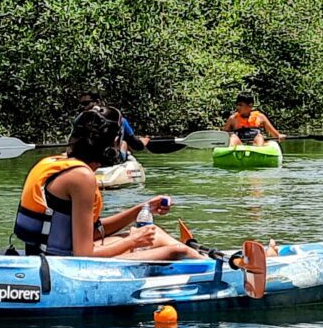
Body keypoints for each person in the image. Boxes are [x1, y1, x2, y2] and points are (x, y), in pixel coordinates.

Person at [13, 104, 201, 261]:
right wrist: (133, 240)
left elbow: (91, 233)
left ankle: (207, 262)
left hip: (50, 255)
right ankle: (218, 271)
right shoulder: (81, 177)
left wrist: (141, 209)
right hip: (63, 265)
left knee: (153, 233)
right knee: (178, 251)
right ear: (111, 147)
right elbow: (84, 254)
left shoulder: (57, 163)